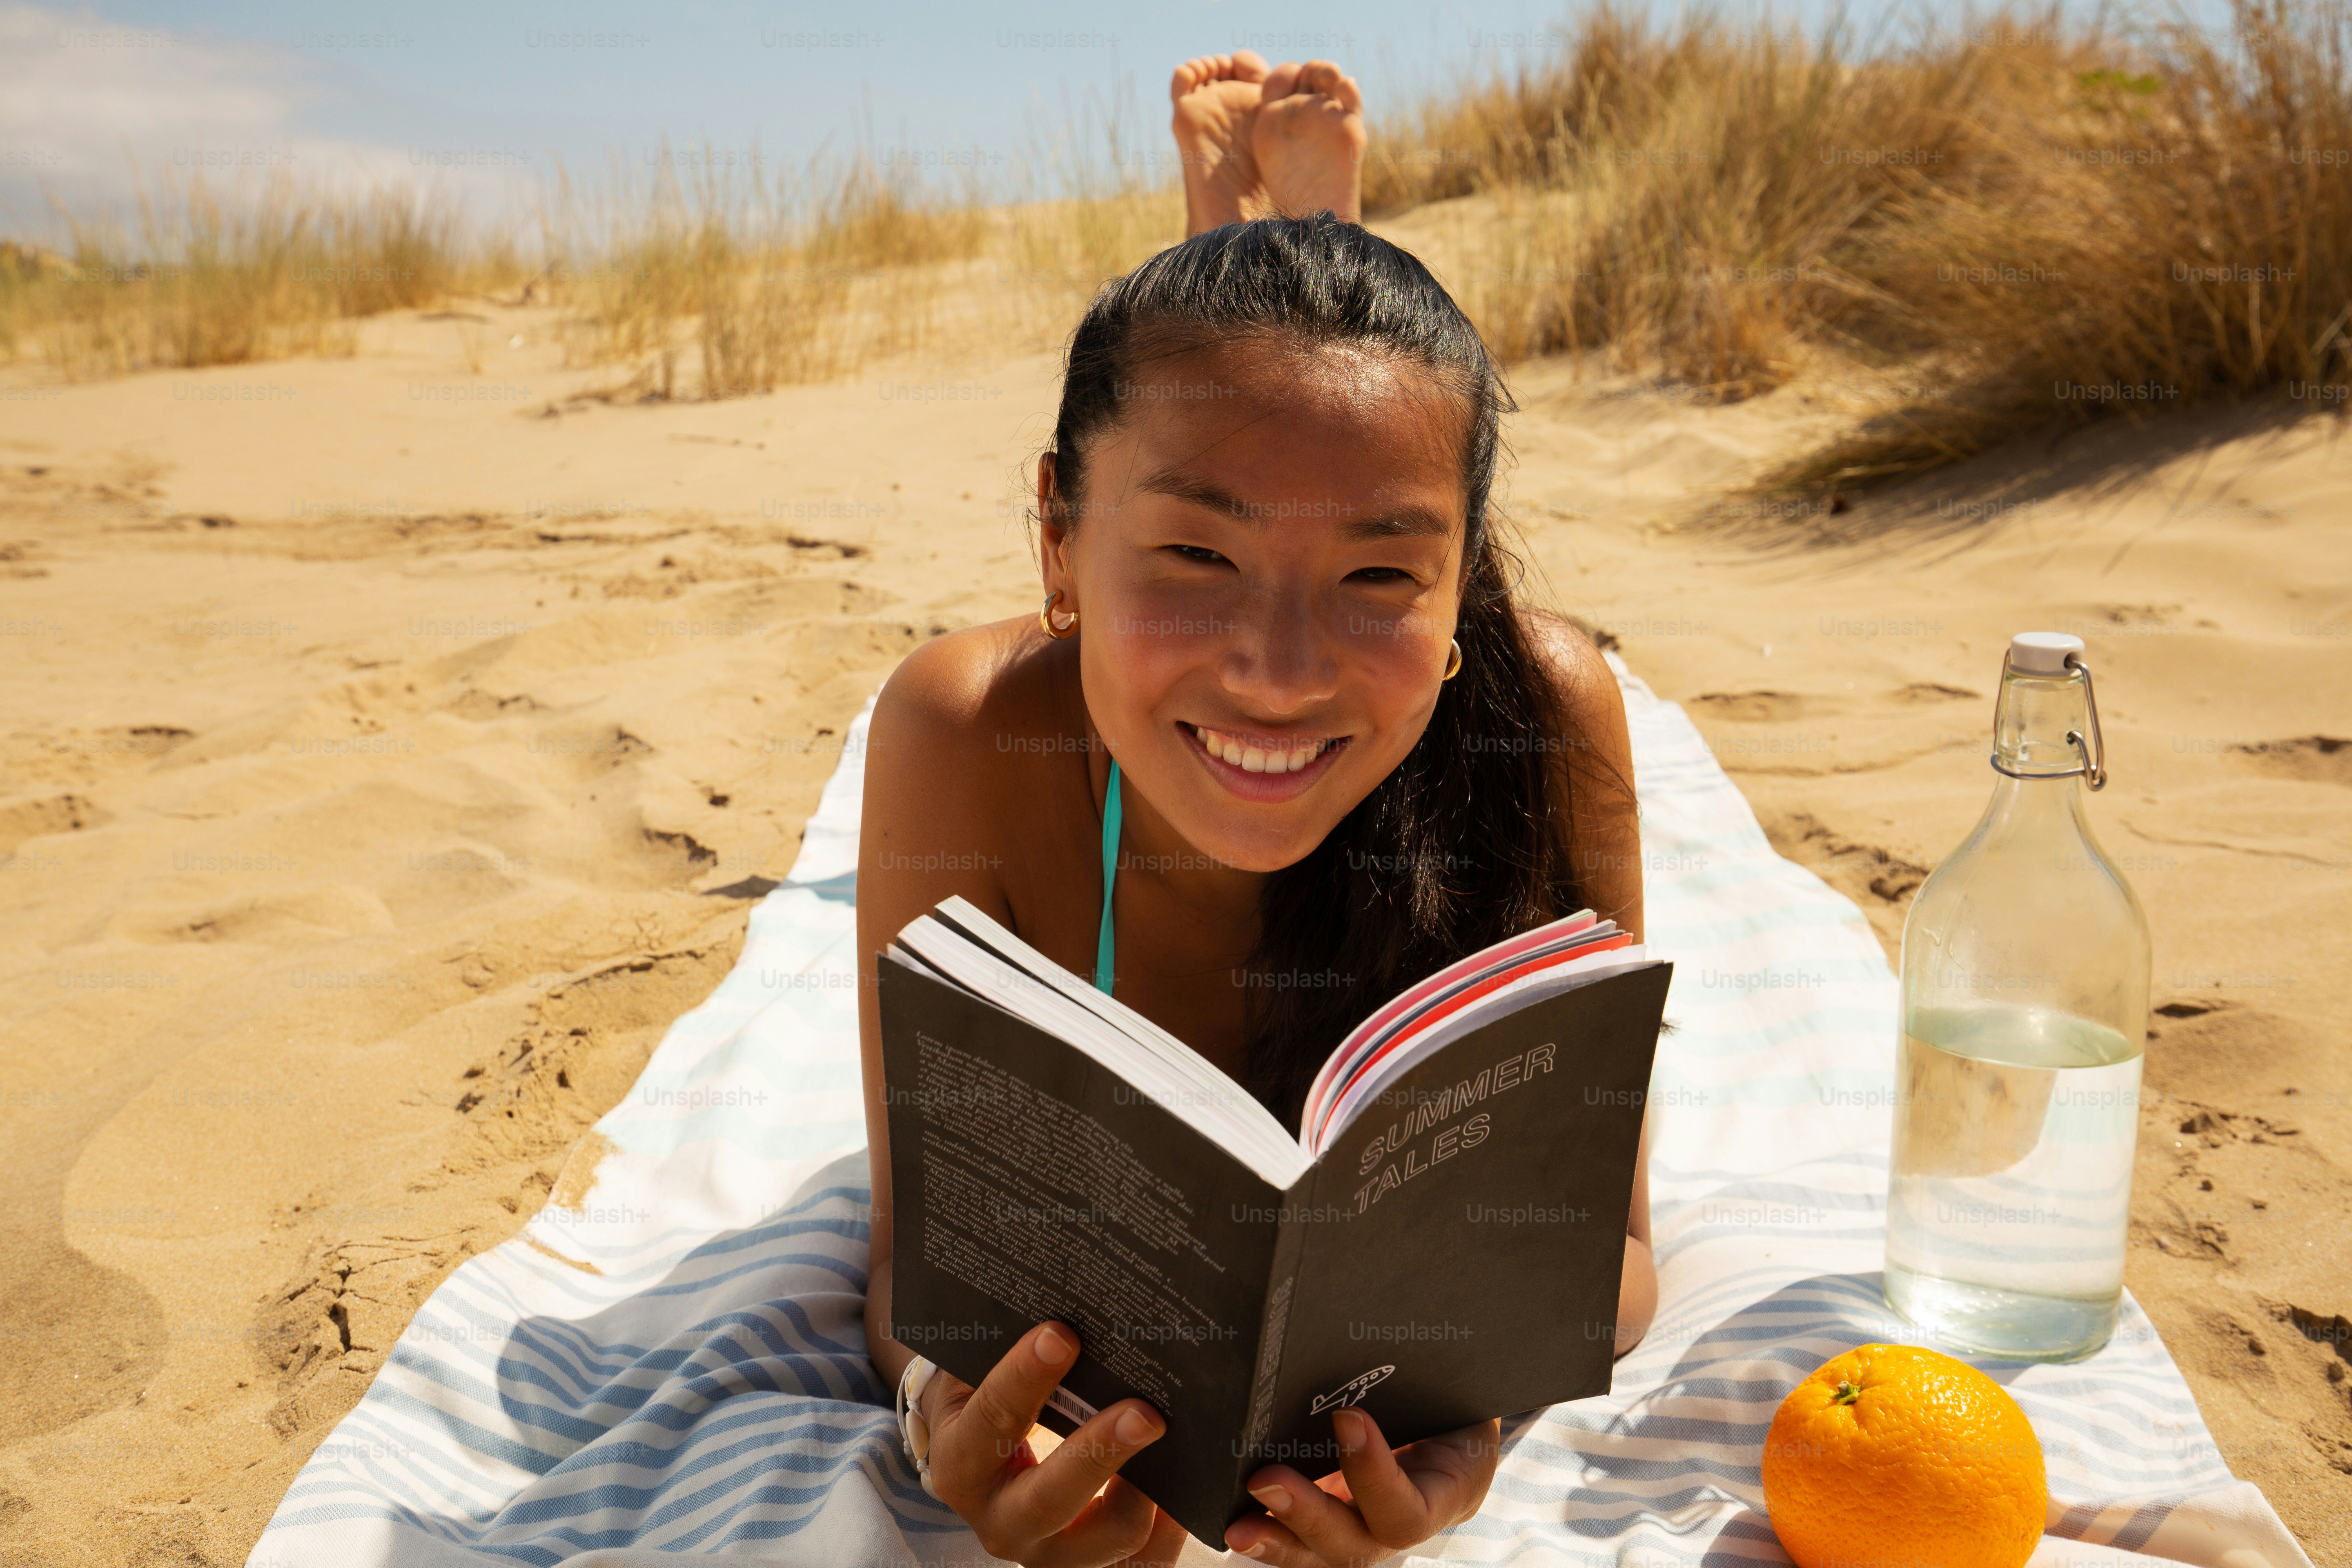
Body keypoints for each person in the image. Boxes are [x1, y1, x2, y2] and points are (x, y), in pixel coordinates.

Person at [854, 55, 1653, 1568]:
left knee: (1302, 404)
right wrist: (946, 1413)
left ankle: (1291, 242)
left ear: (1462, 581)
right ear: (1057, 539)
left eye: (1381, 573)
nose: (1279, 676)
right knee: (1273, 405)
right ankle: (1270, 232)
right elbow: (912, 1260)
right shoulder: (967, 733)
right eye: (1195, 559)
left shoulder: (1546, 719)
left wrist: (1457, 1419)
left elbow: (1608, 1256)